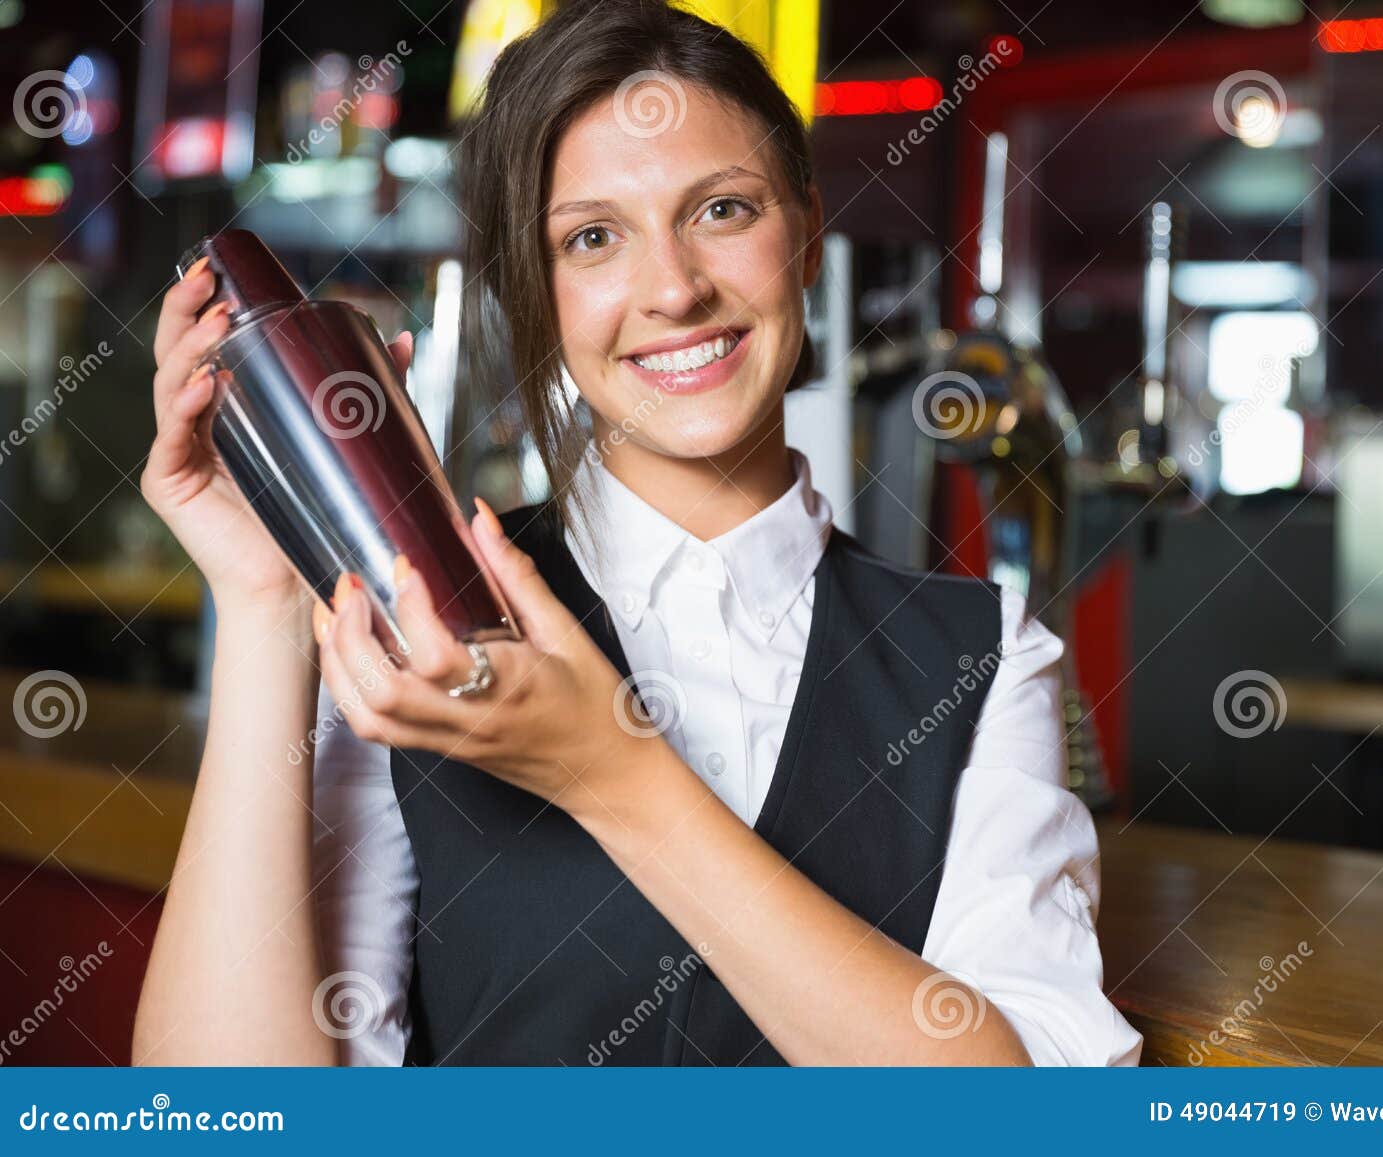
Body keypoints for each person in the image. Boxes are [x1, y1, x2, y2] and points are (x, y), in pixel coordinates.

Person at [134, 0, 1141, 1067]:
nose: (673, 289)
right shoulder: (417, 627)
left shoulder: (983, 657)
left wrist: (613, 773)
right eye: (594, 237)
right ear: (542, 294)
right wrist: (265, 603)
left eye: (721, 210)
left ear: (804, 235)